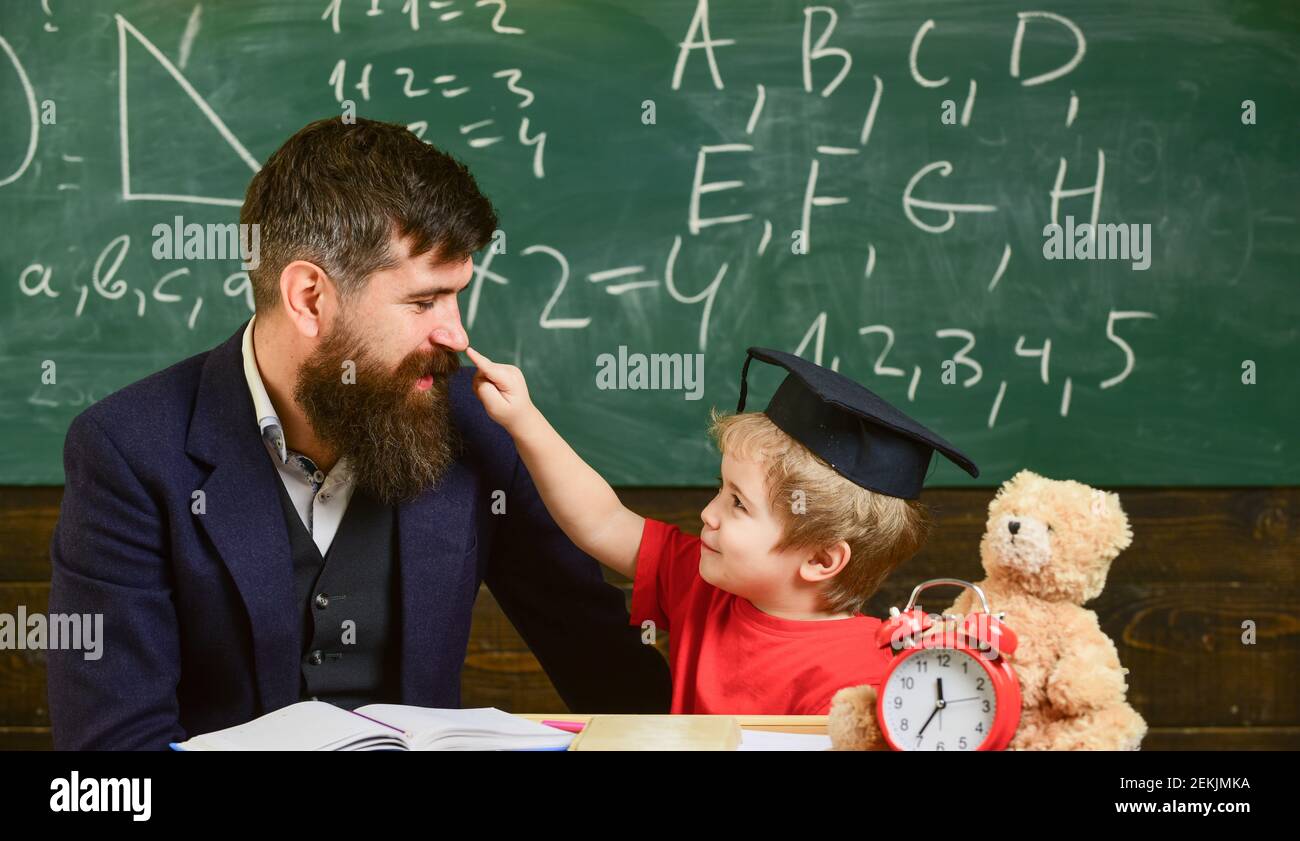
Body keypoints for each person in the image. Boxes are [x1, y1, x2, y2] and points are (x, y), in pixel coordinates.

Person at [46, 117, 670, 750]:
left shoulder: (481, 426)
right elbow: (112, 756)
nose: (456, 335)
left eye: (458, 296)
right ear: (310, 298)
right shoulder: (125, 450)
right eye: (423, 302)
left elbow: (608, 667)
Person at [466, 345, 980, 715]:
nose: (708, 514)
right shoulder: (704, 584)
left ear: (821, 560)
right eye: (720, 489)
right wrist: (524, 421)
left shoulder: (869, 675)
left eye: (738, 504)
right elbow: (602, 521)